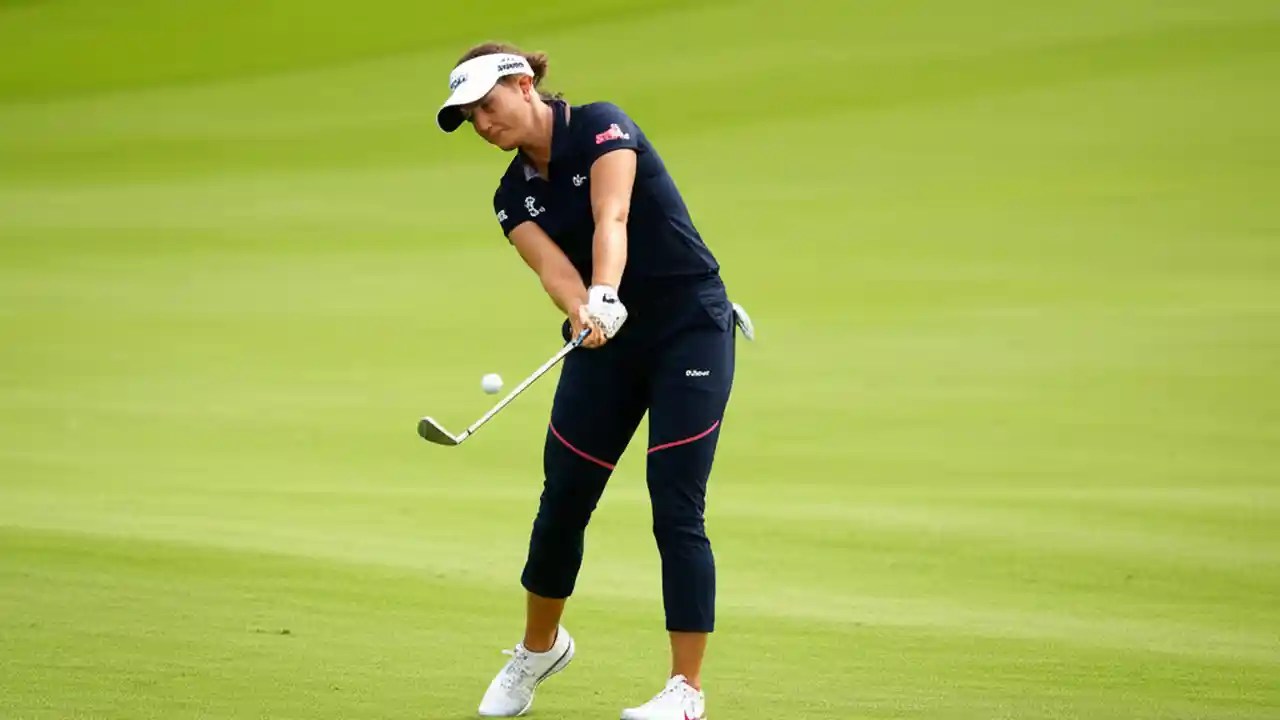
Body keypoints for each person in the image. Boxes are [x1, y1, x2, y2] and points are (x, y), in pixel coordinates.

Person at [435, 42, 753, 720]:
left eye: (487, 108)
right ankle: (539, 650)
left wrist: (605, 289)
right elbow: (553, 270)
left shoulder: (604, 126)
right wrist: (585, 308)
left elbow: (613, 215)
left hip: (689, 327)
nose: (484, 126)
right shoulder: (510, 195)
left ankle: (685, 693)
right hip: (607, 339)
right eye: (470, 121)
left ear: (523, 86)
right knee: (562, 502)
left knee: (675, 505)